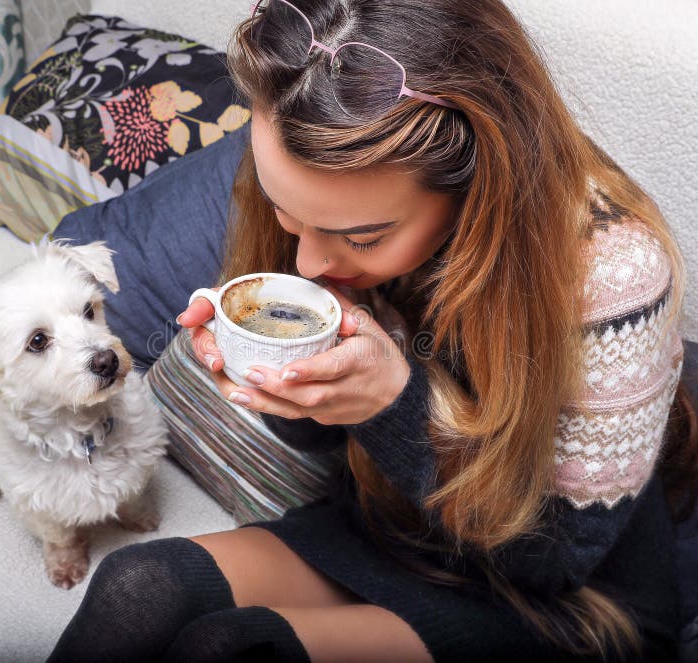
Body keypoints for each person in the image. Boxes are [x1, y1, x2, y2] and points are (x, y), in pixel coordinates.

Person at [48, 0, 698, 661]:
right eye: (287, 214)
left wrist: (392, 405)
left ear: (477, 180)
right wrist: (288, 382)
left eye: (361, 235)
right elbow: (320, 442)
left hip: (560, 589)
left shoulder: (613, 271)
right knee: (139, 585)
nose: (310, 262)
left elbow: (556, 561)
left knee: (233, 647)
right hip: (398, 528)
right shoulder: (311, 170)